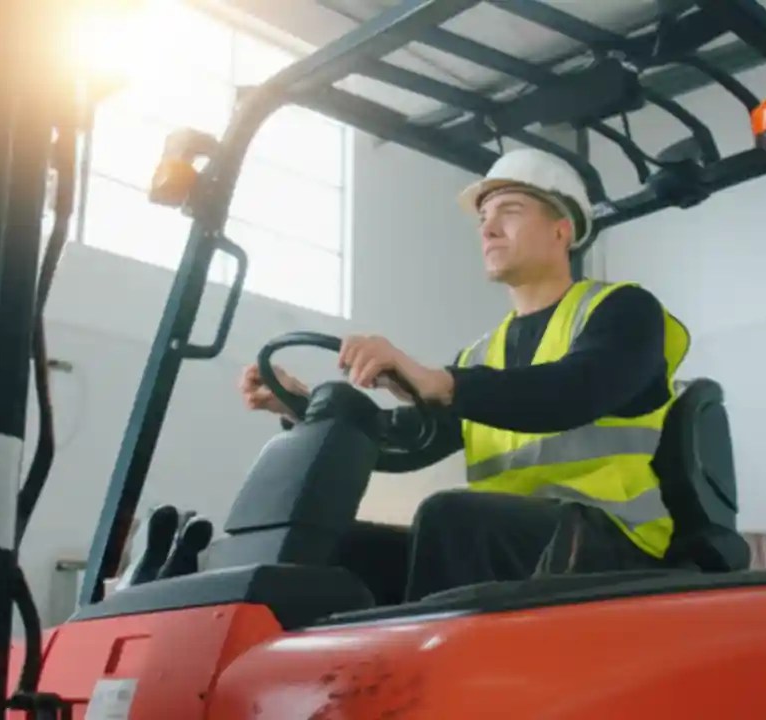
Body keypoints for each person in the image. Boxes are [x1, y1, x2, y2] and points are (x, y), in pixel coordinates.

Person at [238, 148, 691, 602]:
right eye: (483, 219)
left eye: (509, 211)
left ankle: (434, 652)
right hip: (514, 537)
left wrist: (442, 382)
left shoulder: (624, 310)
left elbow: (575, 390)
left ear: (562, 230)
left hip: (614, 538)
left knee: (450, 518)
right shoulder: (481, 355)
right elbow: (411, 441)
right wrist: (303, 409)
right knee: (346, 549)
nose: (488, 229)